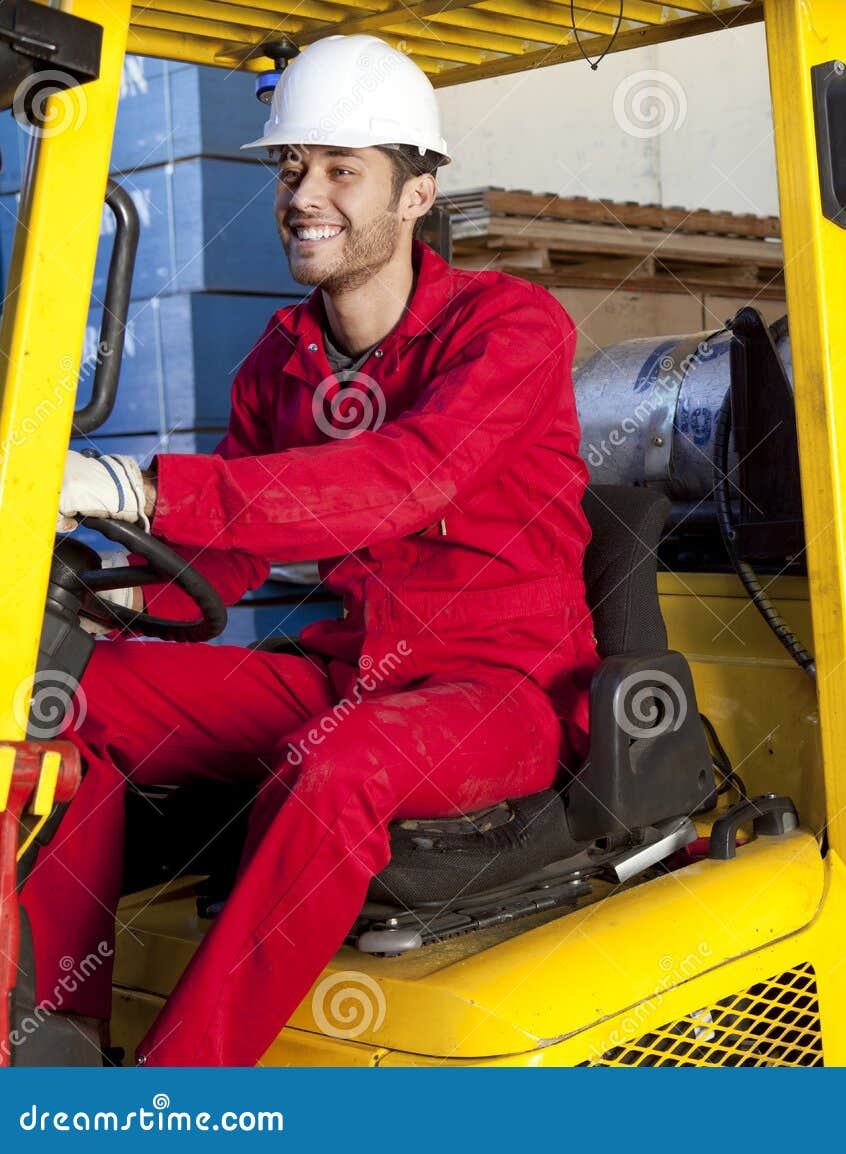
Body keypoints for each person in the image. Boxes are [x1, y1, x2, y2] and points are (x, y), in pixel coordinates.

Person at [22, 33, 599, 1066]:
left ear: (416, 193)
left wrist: (134, 483)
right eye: (293, 166)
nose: (303, 194)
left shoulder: (510, 328)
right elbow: (222, 566)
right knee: (64, 694)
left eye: (341, 169)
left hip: (501, 688)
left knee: (332, 767)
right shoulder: (279, 364)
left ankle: (176, 1091)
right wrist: (69, 599)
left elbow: (408, 477)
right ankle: (54, 1033)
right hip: (348, 669)